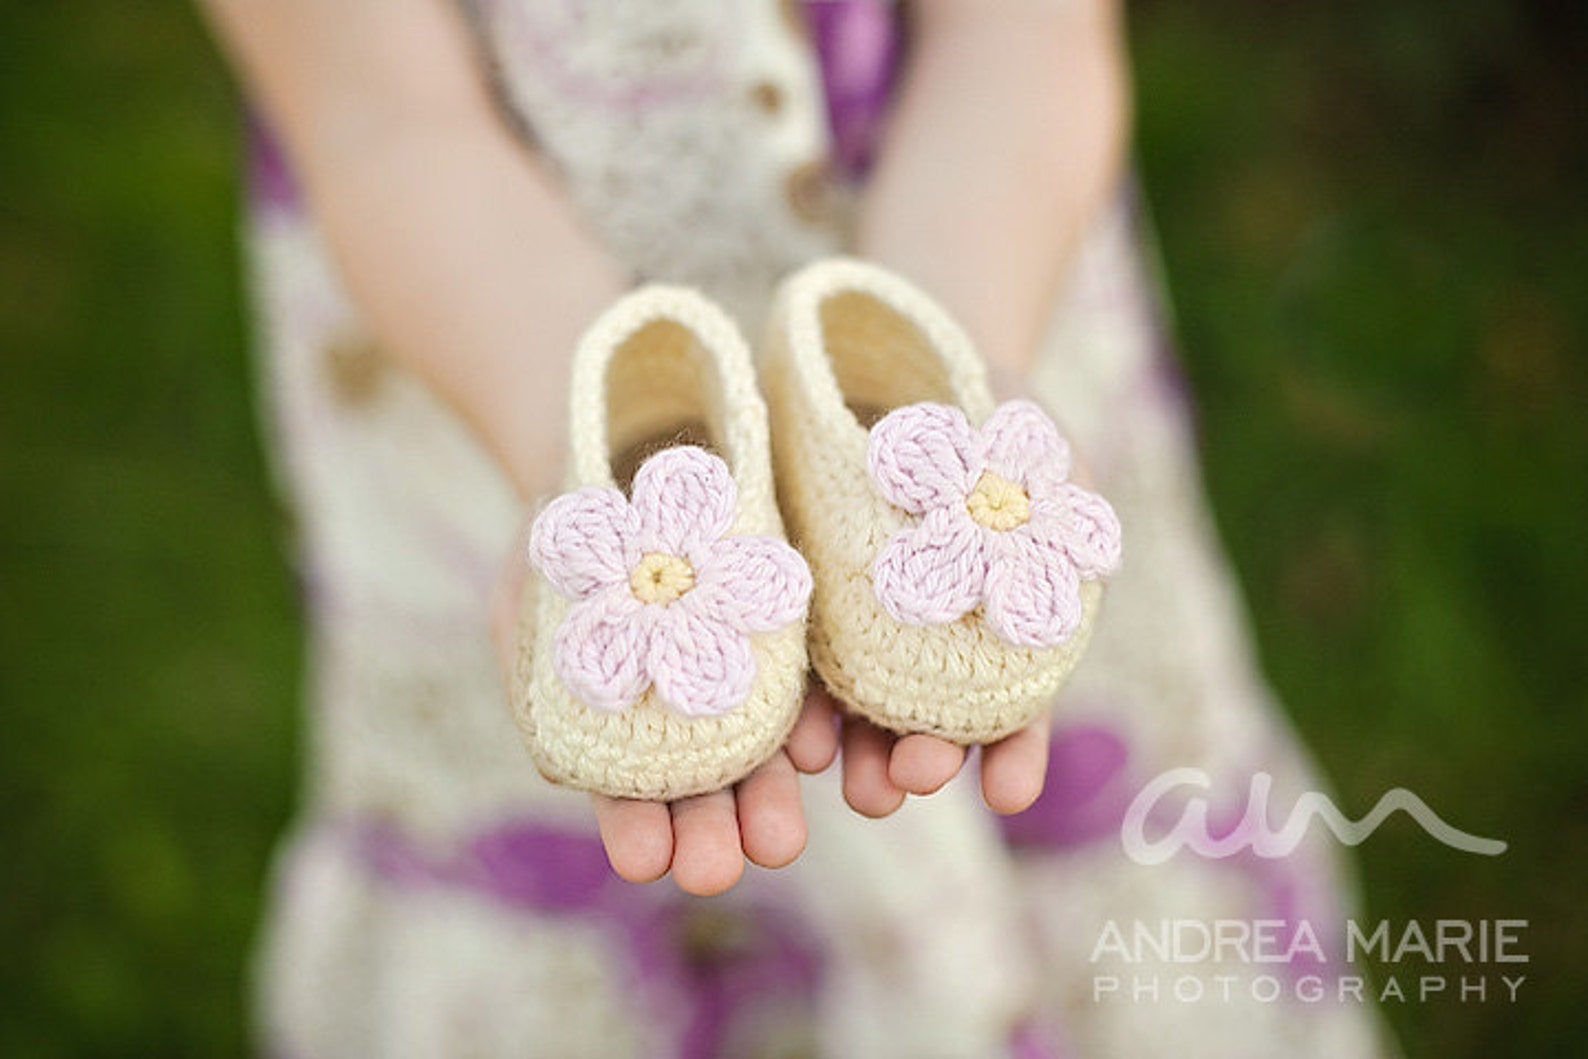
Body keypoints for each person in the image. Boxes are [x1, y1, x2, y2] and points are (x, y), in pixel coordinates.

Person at [199, 0, 1396, 1054]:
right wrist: (559, 430)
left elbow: (1025, 30)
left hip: (958, 225)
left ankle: (909, 410)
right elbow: (382, 115)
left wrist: (964, 342)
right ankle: (610, 460)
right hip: (480, 319)